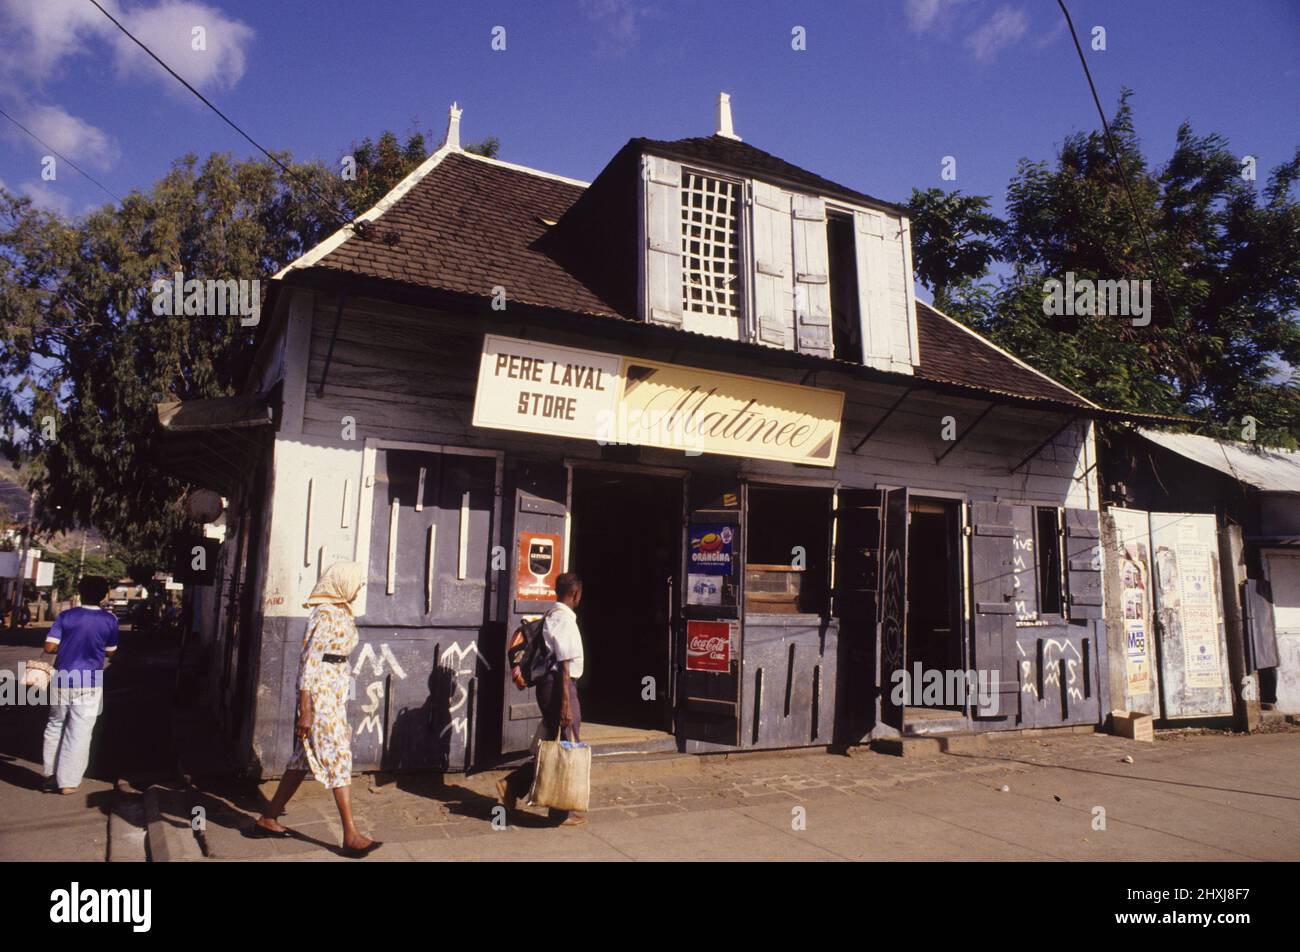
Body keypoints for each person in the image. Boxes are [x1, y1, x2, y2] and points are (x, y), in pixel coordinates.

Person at [248, 561, 381, 858]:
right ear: (341, 582)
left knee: (300, 760)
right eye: (356, 583)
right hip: (319, 695)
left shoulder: (344, 611)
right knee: (339, 757)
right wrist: (306, 708)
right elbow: (308, 661)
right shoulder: (323, 614)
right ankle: (350, 835)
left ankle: (269, 818)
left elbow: (340, 659)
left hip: (333, 694)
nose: (359, 588)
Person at [497, 571, 586, 827]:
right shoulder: (565, 621)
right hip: (561, 686)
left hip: (552, 687)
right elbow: (564, 663)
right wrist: (567, 703)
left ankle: (512, 786)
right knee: (567, 743)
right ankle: (559, 811)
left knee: (552, 742)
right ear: (575, 593)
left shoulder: (552, 615)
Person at [42, 575, 119, 794]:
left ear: (80, 592)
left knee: (55, 724)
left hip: (62, 677)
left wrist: (67, 646)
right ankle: (67, 782)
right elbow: (111, 651)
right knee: (80, 730)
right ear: (104, 595)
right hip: (91, 680)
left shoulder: (66, 616)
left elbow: (49, 647)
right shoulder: (110, 620)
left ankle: (49, 773)